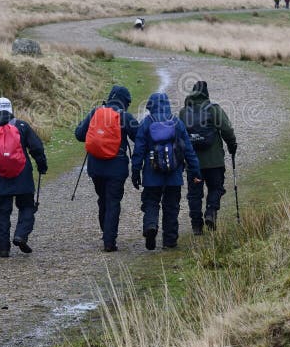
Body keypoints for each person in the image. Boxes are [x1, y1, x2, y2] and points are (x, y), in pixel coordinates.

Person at [0, 97, 48, 258]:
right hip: (23, 175)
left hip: (0, 178)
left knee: (2, 212)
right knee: (27, 207)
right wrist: (42, 166)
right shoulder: (22, 126)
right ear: (11, 109)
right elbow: (37, 148)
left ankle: (3, 247)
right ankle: (20, 235)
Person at [131, 93, 201, 250]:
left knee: (151, 201)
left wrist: (135, 172)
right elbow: (188, 149)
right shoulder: (177, 122)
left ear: (151, 105)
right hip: (174, 174)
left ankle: (150, 225)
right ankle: (169, 241)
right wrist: (195, 170)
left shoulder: (146, 123)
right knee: (171, 206)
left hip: (151, 174)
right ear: (167, 104)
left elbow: (139, 150)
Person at [75, 85, 139, 252]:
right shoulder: (124, 116)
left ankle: (106, 231)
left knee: (103, 199)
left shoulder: (96, 112)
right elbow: (139, 135)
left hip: (95, 166)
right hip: (117, 168)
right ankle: (109, 241)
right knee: (113, 201)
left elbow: (79, 134)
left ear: (110, 97)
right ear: (125, 102)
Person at [180, 82, 237, 234]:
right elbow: (227, 130)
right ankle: (211, 212)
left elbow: (179, 137)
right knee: (216, 188)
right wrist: (232, 146)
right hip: (214, 161)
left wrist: (180, 159)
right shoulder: (213, 109)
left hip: (193, 163)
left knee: (194, 194)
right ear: (206, 94)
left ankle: (197, 226)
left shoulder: (184, 112)